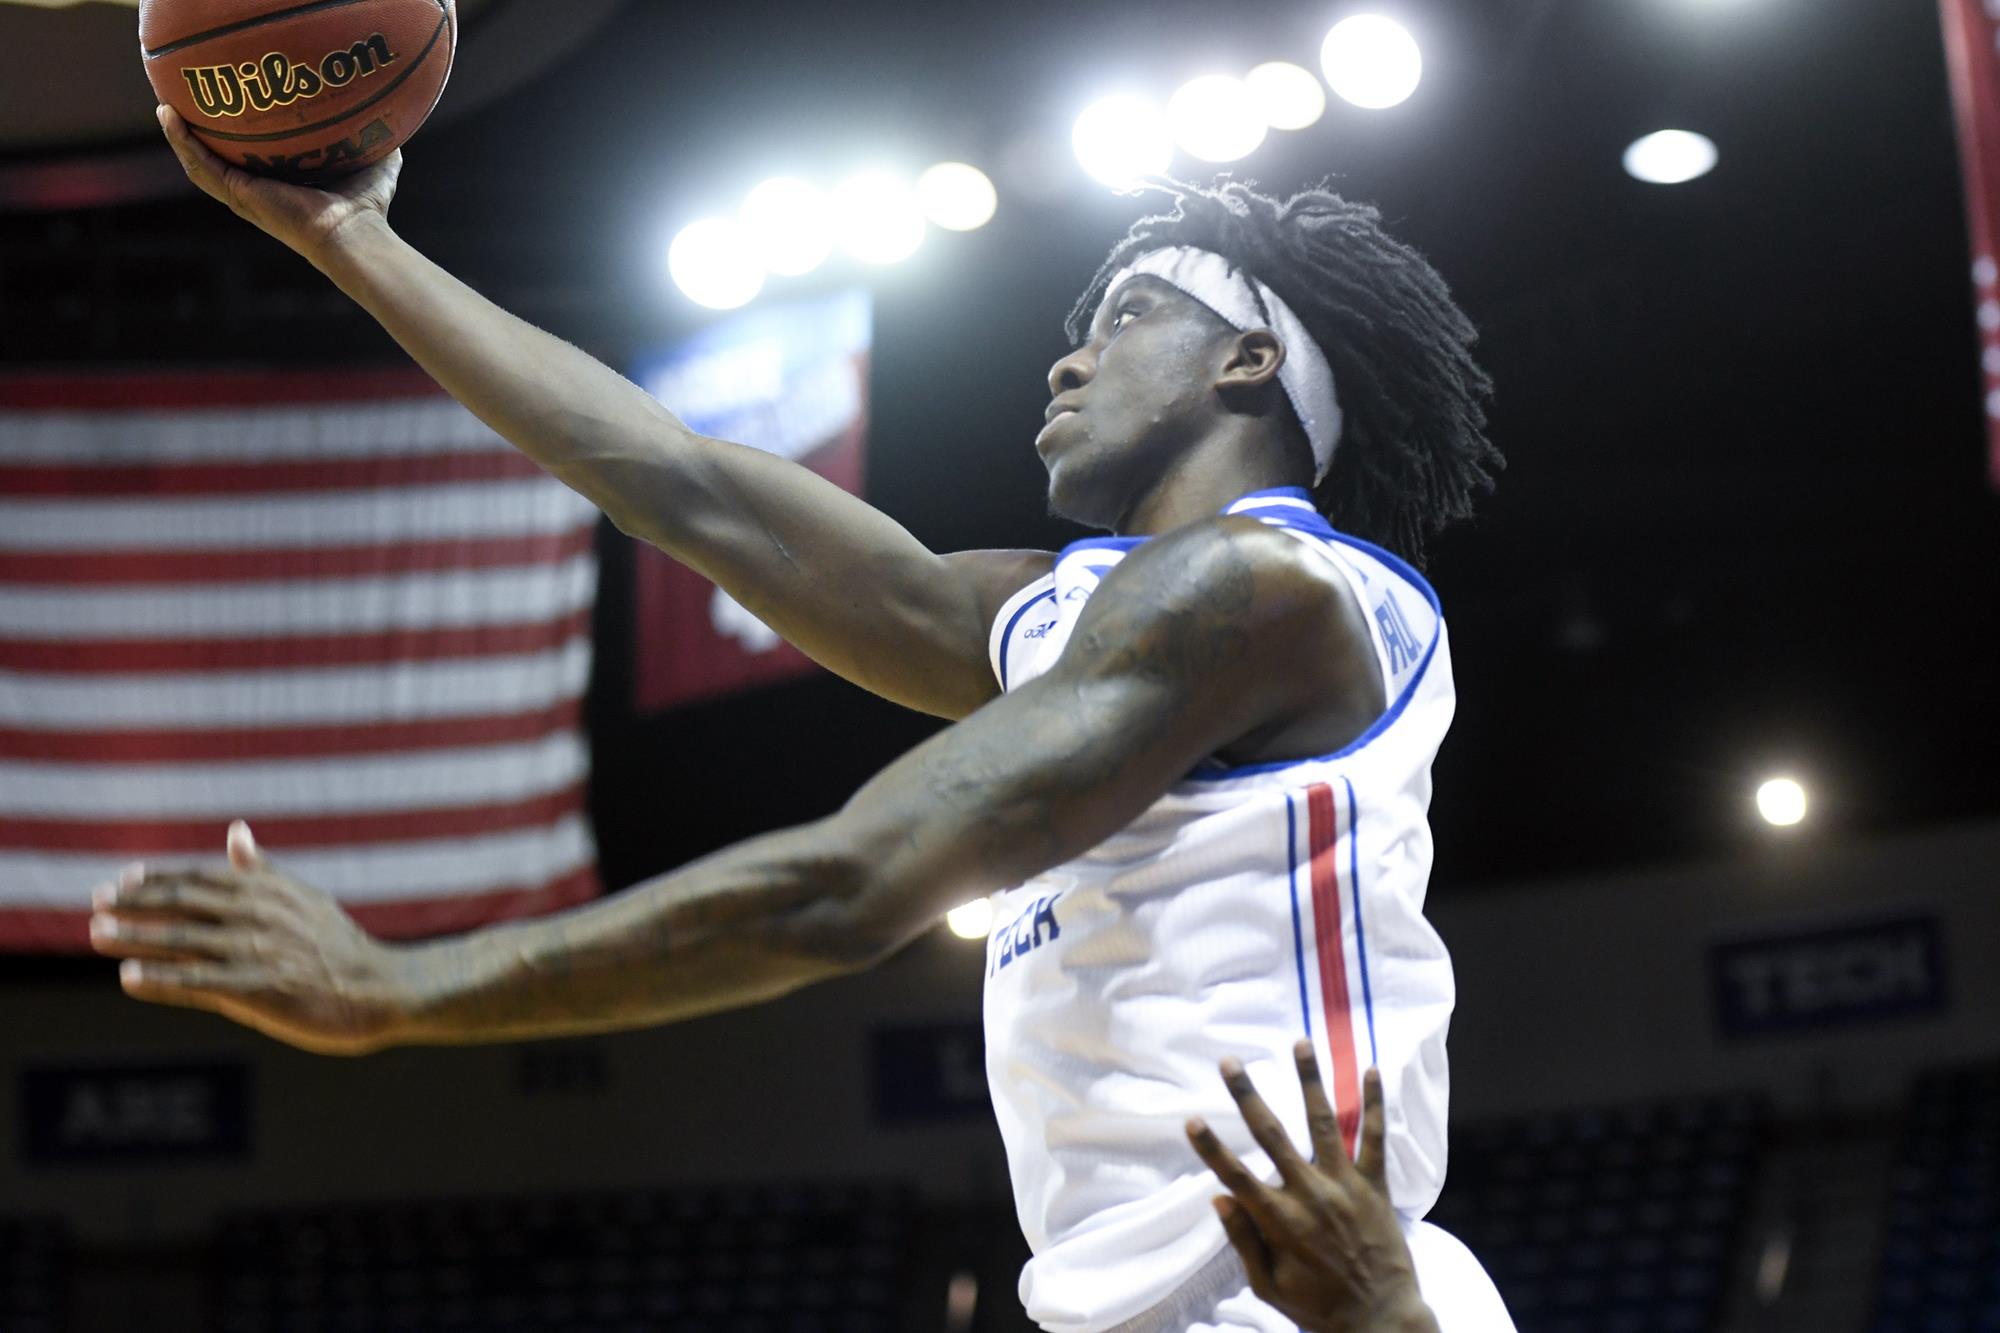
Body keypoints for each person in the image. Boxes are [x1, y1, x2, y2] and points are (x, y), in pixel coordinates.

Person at [91, 107, 1513, 1332]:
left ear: (1250, 363)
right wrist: (354, 239)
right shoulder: (1056, 612)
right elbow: (681, 482)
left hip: (1324, 1299)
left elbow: (851, 885)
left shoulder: (1269, 588)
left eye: (1128, 316)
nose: (1067, 362)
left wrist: (404, 989)